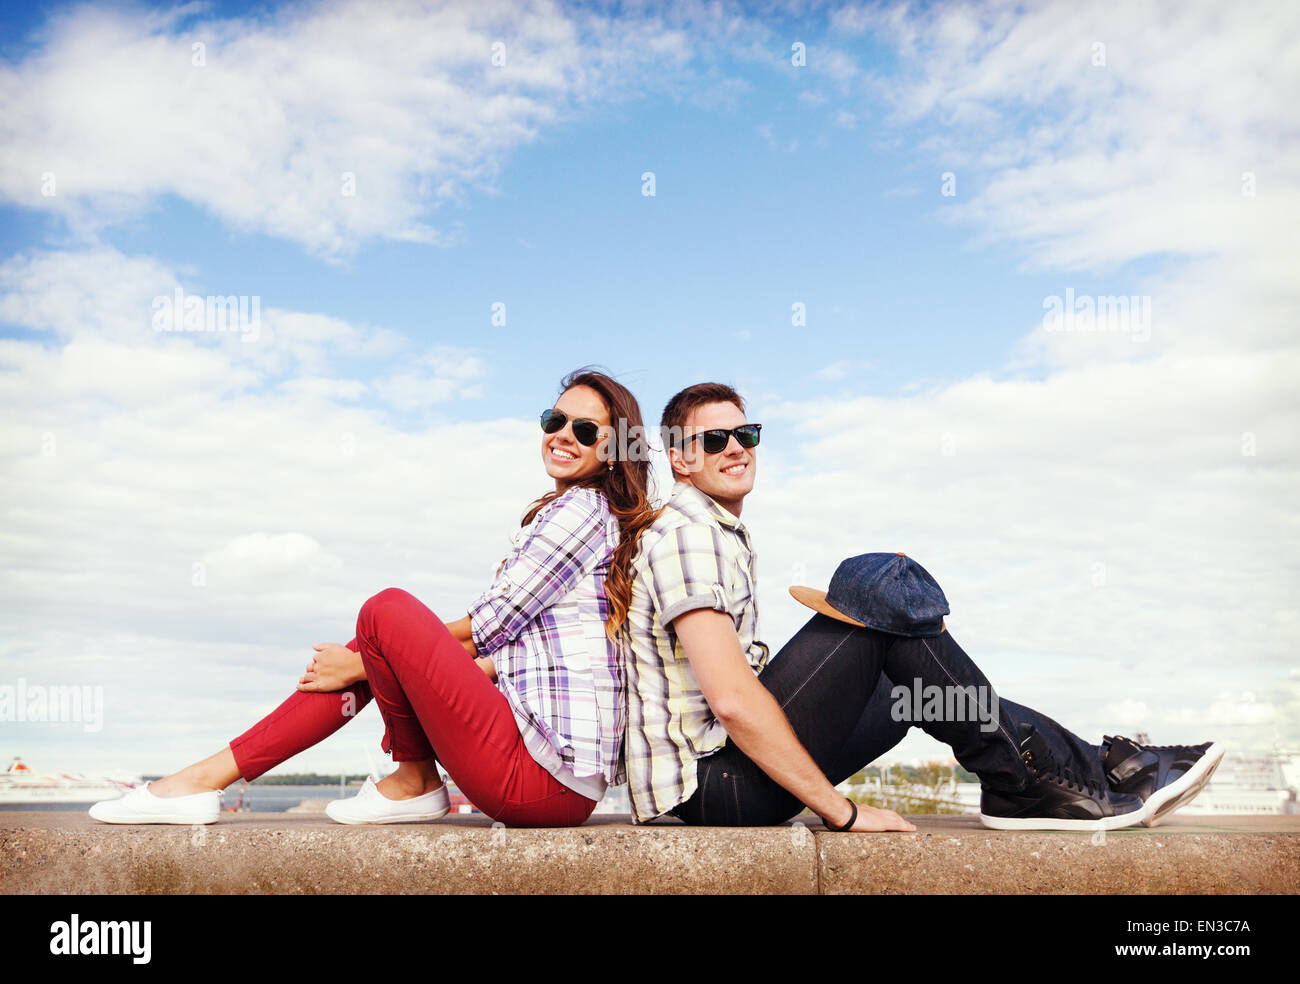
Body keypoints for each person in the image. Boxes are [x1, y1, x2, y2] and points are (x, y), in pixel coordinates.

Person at [622, 381, 1224, 832]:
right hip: (717, 787)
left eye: (746, 435)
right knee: (875, 591)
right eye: (715, 439)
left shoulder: (717, 531)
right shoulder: (687, 535)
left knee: (902, 686)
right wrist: (844, 814)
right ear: (680, 458)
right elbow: (730, 701)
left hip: (731, 784)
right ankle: (1071, 776)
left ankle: (1081, 771)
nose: (736, 448)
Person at [89, 367, 658, 827]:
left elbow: (489, 624)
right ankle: (215, 777)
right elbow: (495, 656)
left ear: (614, 451)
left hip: (539, 780)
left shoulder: (581, 510)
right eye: (555, 419)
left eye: (586, 431)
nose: (563, 435)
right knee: (380, 630)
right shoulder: (584, 516)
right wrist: (375, 660)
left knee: (385, 610)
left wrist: (364, 662)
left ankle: (403, 779)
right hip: (549, 780)